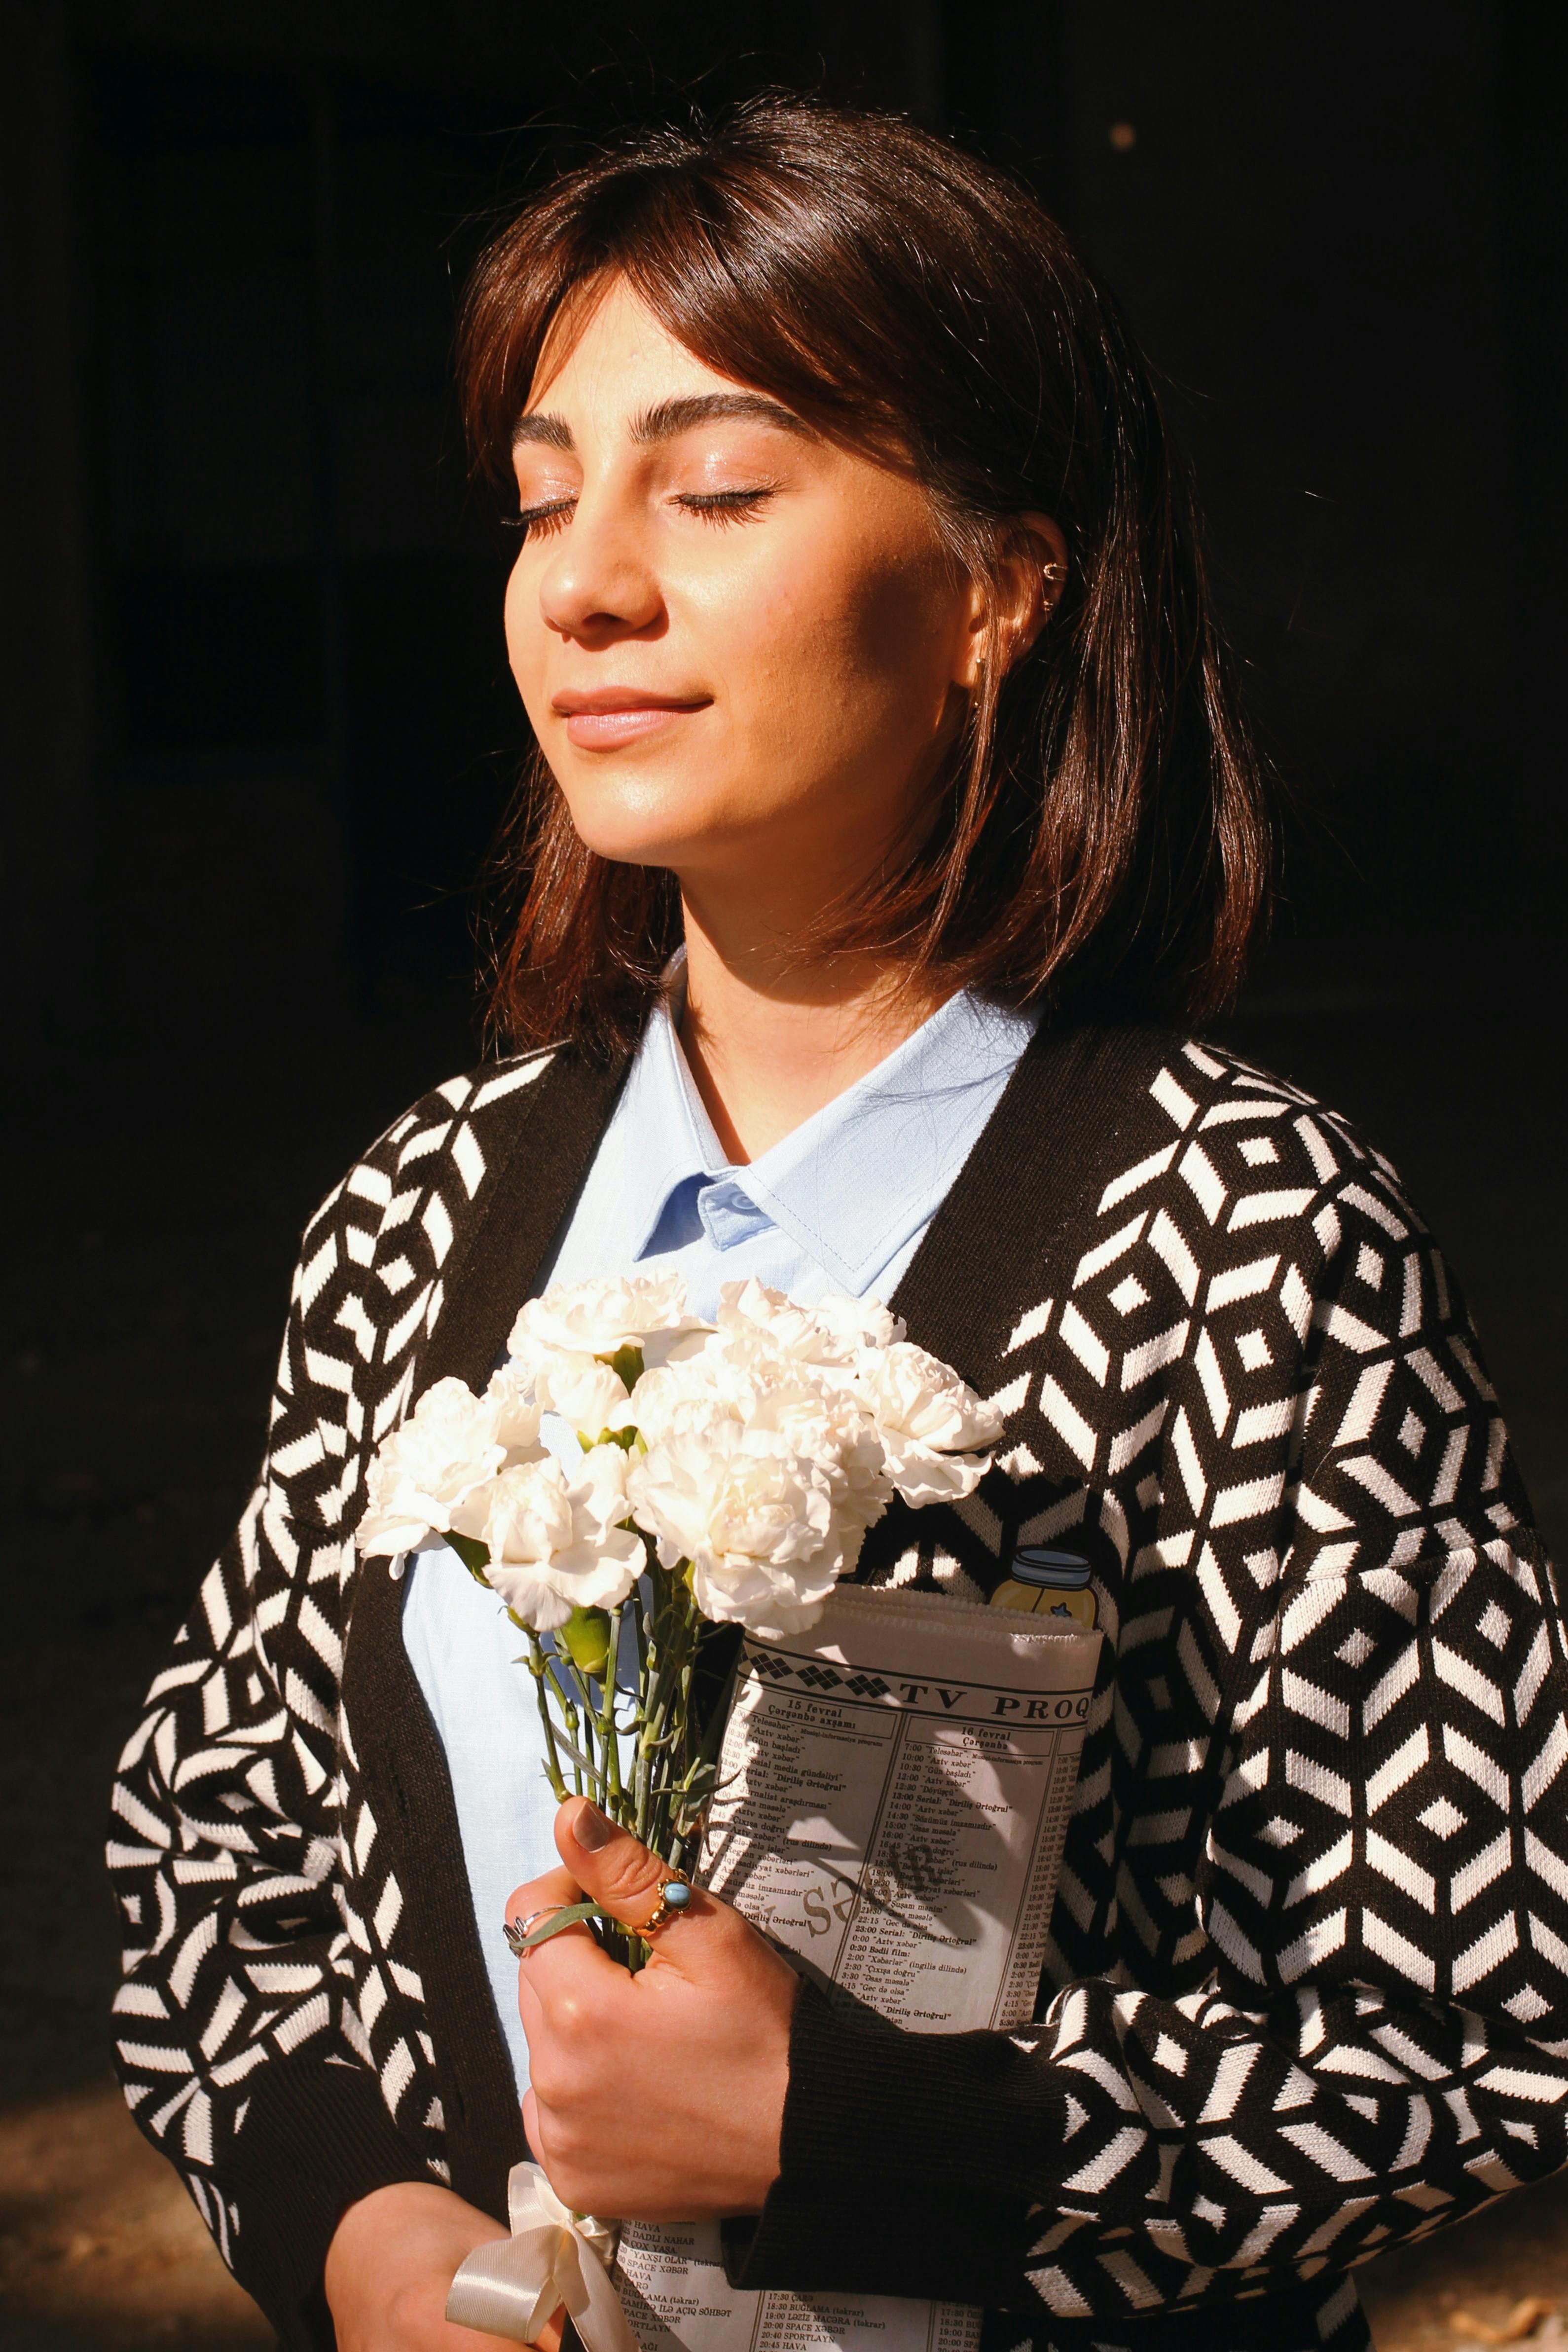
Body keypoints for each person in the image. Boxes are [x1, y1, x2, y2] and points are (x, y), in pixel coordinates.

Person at [108, 99, 1565, 2352]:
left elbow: (1473, 2023)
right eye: (540, 494)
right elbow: (218, 1846)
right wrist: (374, 2245)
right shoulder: (430, 1208)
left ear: (1001, 581)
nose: (587, 577)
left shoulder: (1249, 1234)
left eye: (714, 488)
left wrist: (852, 2130)